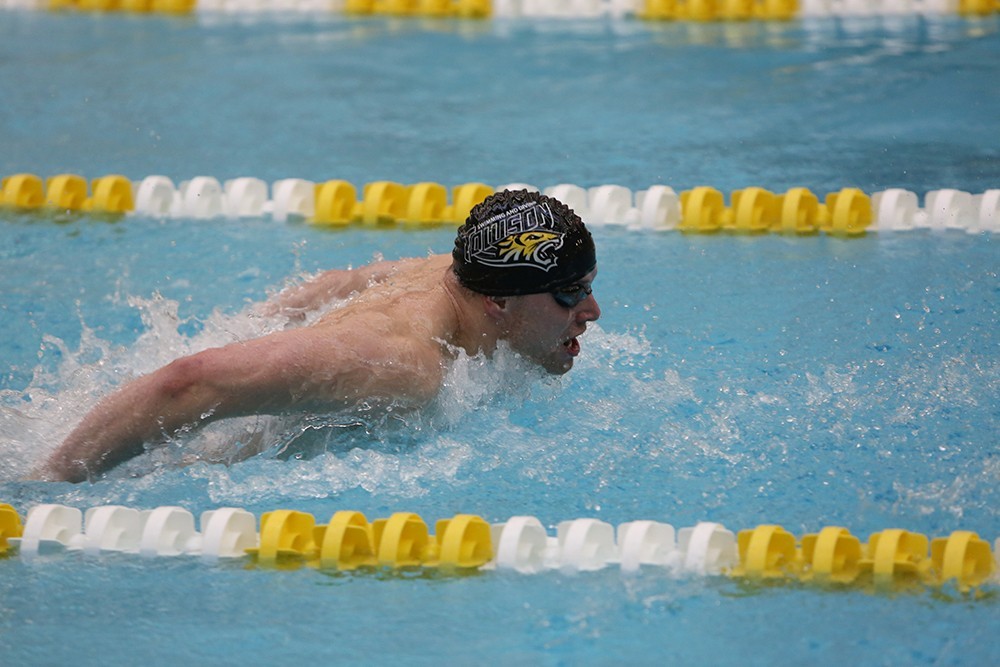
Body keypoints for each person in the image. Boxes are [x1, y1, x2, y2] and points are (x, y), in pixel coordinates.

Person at [32, 189, 601, 483]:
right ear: (498, 302)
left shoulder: (457, 271)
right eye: (570, 294)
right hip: (196, 460)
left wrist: (259, 323)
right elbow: (189, 381)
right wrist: (53, 483)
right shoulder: (409, 368)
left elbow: (342, 282)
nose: (592, 311)